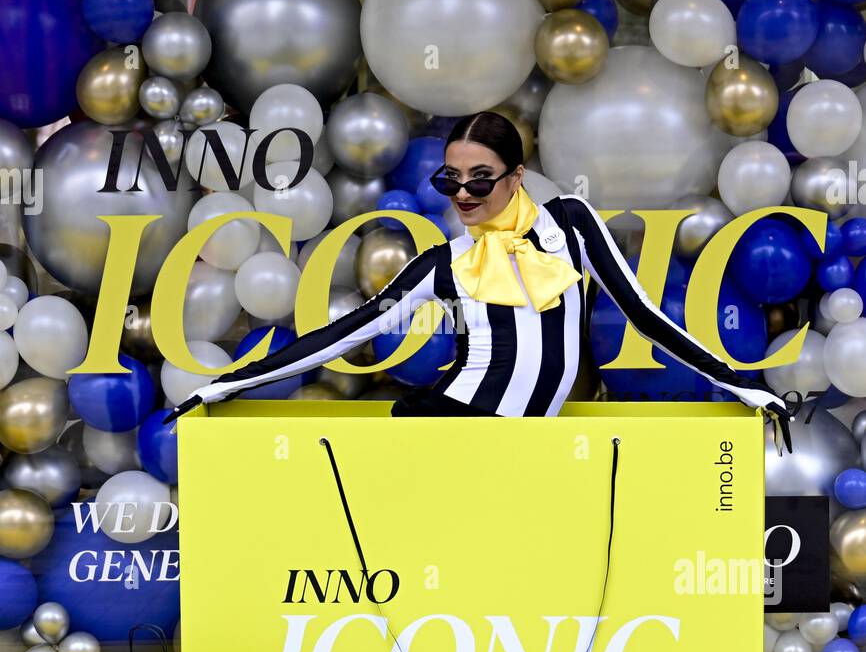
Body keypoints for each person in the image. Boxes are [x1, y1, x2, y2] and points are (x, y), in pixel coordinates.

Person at [163, 111, 792, 445]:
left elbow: (643, 314)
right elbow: (341, 333)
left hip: (519, 448)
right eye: (451, 179)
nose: (464, 193)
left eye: (480, 178)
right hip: (457, 433)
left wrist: (742, 385)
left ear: (516, 178)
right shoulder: (448, 262)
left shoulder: (570, 225)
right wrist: (228, 384)